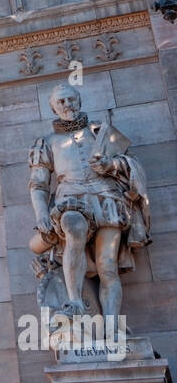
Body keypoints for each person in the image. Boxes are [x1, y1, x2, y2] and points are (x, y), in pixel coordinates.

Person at [28, 84, 149, 319]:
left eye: (71, 99)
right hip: (70, 199)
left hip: (106, 199)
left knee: (107, 265)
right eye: (61, 101)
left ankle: (113, 327)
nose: (67, 105)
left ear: (79, 101)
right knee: (73, 227)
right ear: (53, 108)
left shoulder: (100, 133)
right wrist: (41, 214)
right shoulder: (47, 142)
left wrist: (110, 165)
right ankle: (75, 303)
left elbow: (129, 164)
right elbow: (38, 184)